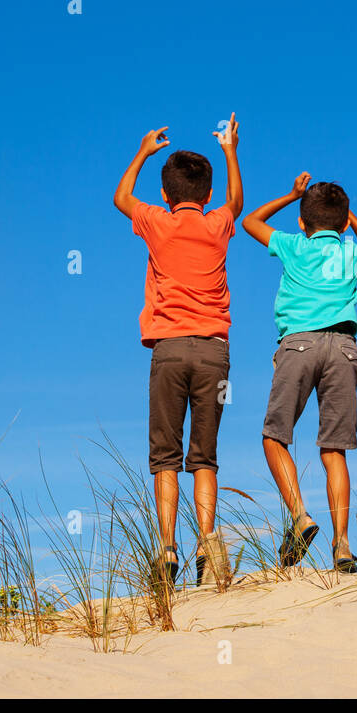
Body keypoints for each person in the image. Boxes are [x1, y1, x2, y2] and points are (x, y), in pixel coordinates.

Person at [113, 114, 243, 588]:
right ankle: (207, 547)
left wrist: (144, 152)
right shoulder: (217, 225)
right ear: (206, 196)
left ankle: (167, 549)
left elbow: (121, 198)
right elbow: (237, 201)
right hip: (215, 354)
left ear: (166, 195)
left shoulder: (156, 221)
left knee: (165, 458)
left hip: (167, 351)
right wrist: (230, 148)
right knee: (204, 457)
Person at [242, 174, 357, 572]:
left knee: (274, 436)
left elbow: (249, 222)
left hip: (298, 344)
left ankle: (301, 516)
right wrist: (351, 221)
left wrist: (291, 195)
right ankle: (342, 545)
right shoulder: (351, 252)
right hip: (344, 348)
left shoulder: (293, 244)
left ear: (302, 222)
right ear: (342, 223)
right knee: (333, 450)